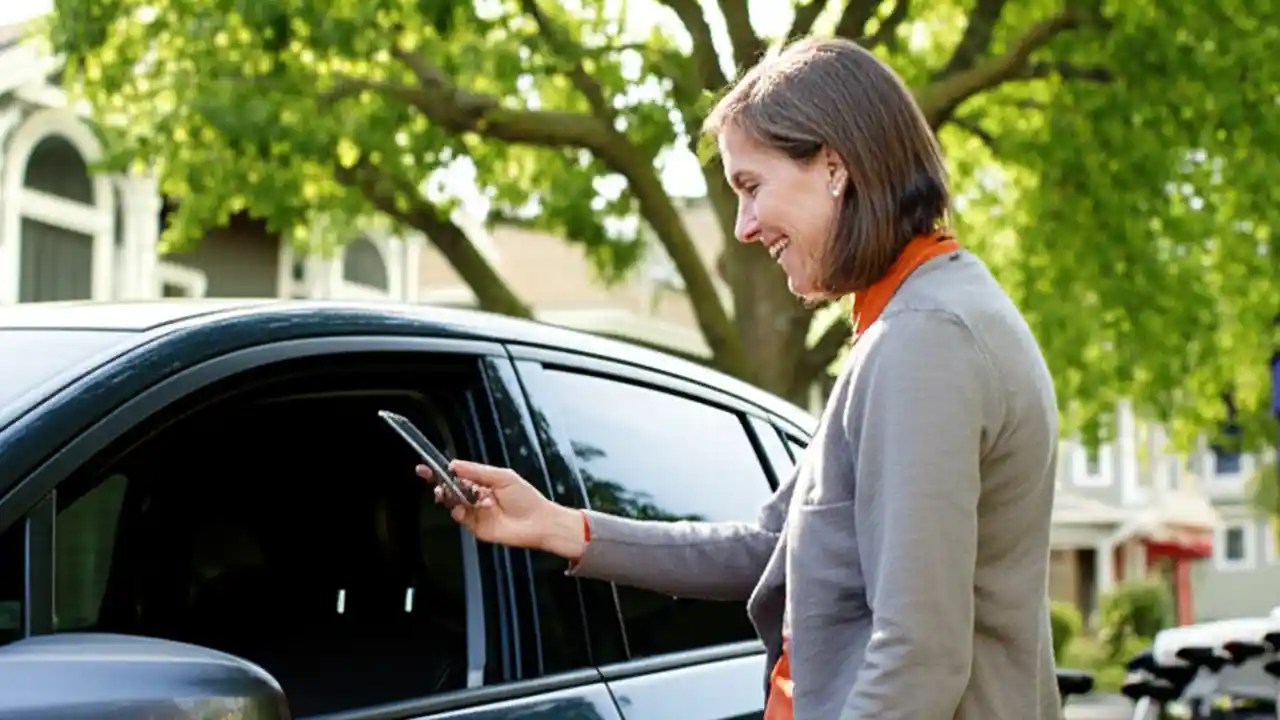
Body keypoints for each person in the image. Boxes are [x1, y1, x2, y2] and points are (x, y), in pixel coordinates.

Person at [418, 36, 1062, 720]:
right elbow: (768, 547)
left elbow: (918, 658)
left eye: (751, 188)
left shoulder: (927, 339)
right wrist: (558, 525)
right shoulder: (915, 321)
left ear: (834, 167)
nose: (745, 227)